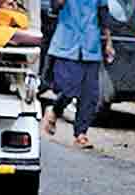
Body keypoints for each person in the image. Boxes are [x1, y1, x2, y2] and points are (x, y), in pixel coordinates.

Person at [40, 0, 114, 149]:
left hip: (90, 44)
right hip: (67, 42)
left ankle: (81, 134)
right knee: (70, 87)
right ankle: (54, 110)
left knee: (90, 93)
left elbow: (103, 15)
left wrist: (108, 43)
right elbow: (55, 6)